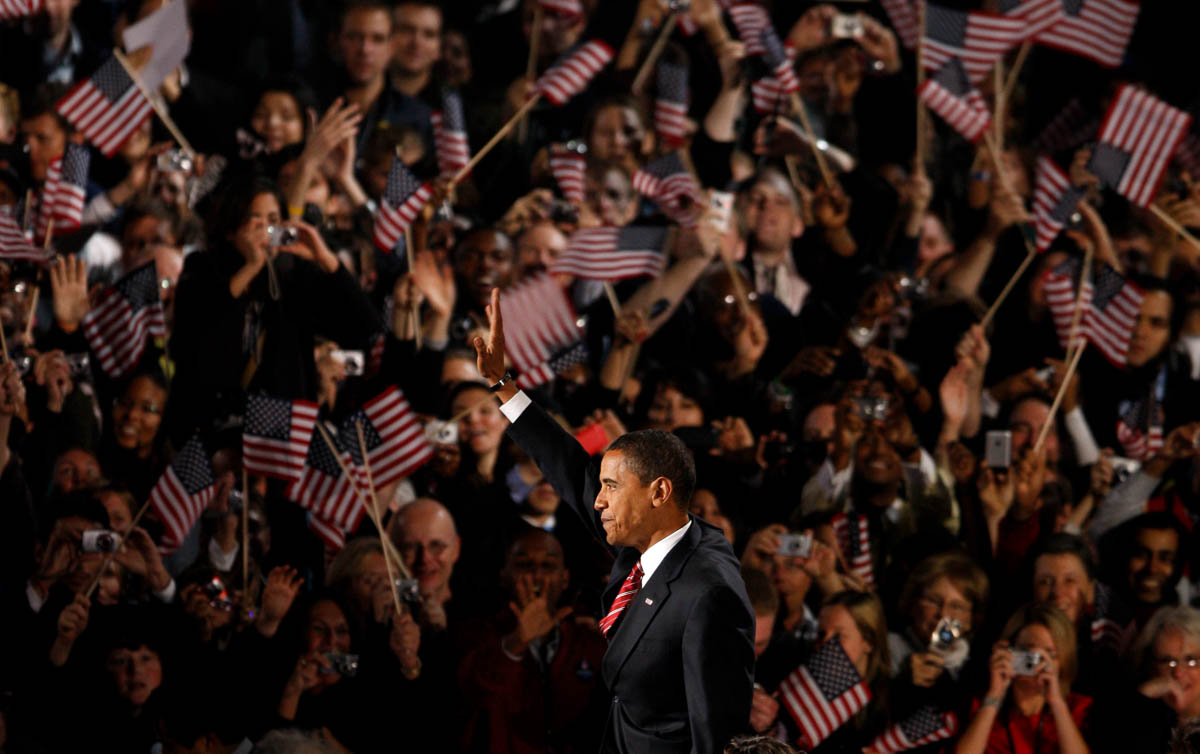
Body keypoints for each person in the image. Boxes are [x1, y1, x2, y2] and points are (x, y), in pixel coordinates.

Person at [473, 287, 755, 752]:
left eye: (611, 487)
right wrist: (504, 385)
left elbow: (718, 734)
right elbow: (566, 466)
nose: (597, 501)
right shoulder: (645, 538)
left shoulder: (709, 594)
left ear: (658, 492)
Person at [955, 603, 1090, 754]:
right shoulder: (982, 706)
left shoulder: (1078, 709)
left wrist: (1057, 703)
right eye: (1026, 650)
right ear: (1008, 650)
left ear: (1063, 661)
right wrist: (995, 694)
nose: (1035, 663)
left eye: (1048, 654)